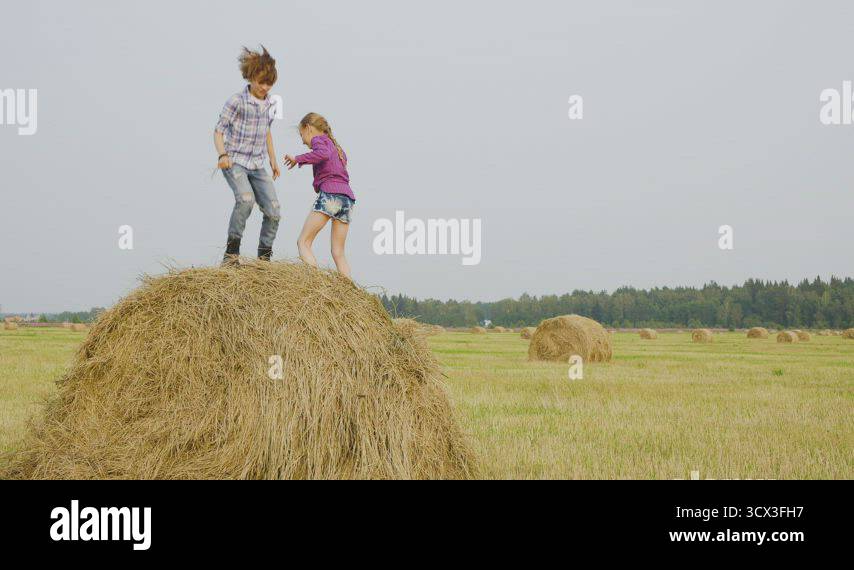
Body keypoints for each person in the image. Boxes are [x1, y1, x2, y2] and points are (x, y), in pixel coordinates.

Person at [214, 46, 282, 265]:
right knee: (246, 200)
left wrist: (273, 158)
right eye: (261, 82)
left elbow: (267, 131)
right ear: (251, 77)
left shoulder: (271, 103)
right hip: (235, 161)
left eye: (269, 83)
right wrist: (222, 154)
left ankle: (264, 260)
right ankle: (231, 254)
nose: (265, 87)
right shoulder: (236, 101)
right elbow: (218, 130)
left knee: (274, 210)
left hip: (257, 163)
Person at [284, 113, 355, 277]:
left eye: (302, 135)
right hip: (347, 199)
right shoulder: (337, 147)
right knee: (338, 253)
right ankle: (347, 292)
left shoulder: (319, 140)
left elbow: (322, 154)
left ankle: (317, 287)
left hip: (331, 194)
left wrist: (297, 159)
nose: (303, 141)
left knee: (303, 242)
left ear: (308, 128)